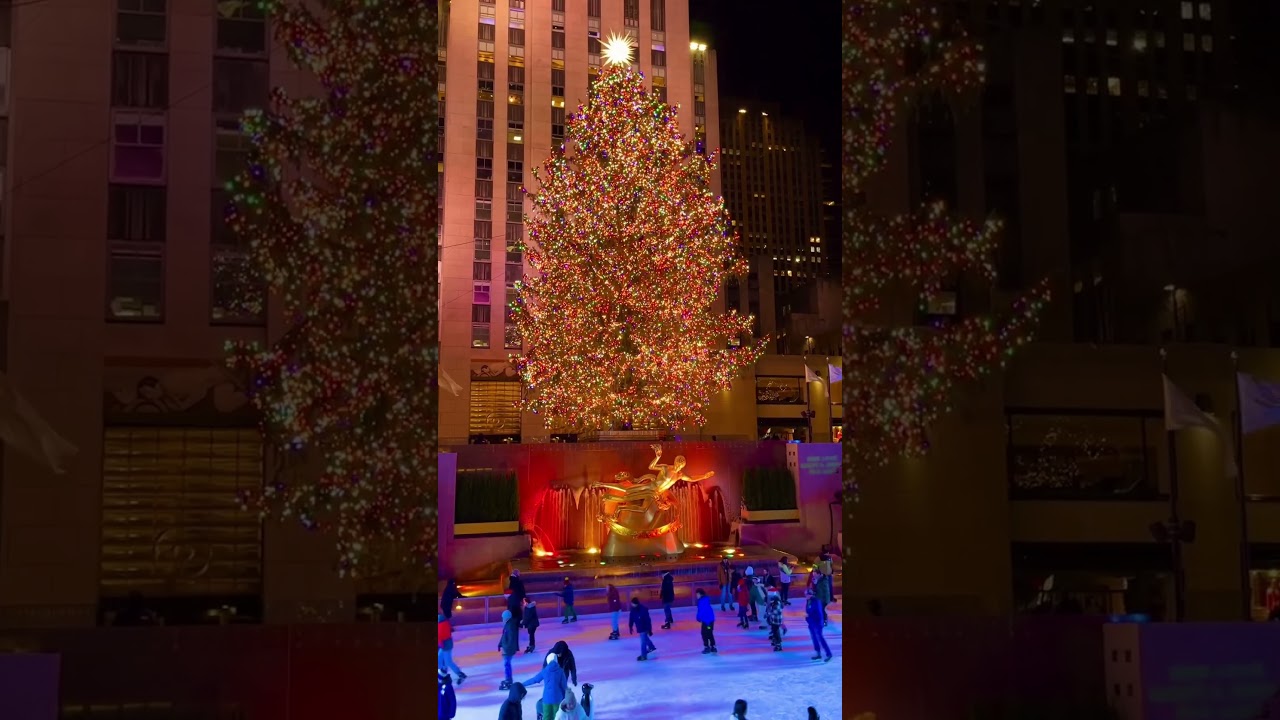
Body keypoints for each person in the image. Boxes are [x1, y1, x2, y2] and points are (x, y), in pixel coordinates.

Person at [523, 652, 568, 720]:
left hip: (547, 699)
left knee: (547, 717)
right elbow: (564, 687)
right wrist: (565, 698)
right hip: (558, 699)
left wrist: (523, 684)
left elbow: (535, 679)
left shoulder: (545, 671)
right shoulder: (561, 671)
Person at [437, 613, 467, 684]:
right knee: (439, 659)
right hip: (445, 644)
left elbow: (440, 635)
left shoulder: (441, 624)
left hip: (446, 645)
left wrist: (439, 642)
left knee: (448, 662)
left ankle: (461, 675)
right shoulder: (443, 621)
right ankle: (443, 674)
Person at [805, 589, 833, 662]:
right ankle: (818, 653)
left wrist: (819, 623)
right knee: (814, 638)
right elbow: (808, 611)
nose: (805, 596)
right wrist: (808, 619)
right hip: (811, 623)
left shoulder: (816, 601)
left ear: (810, 595)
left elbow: (819, 613)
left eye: (807, 594)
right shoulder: (808, 601)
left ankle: (829, 654)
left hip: (817, 623)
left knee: (820, 638)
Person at [629, 596, 657, 661]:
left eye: (633, 603)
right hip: (639, 627)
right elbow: (631, 618)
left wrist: (649, 629)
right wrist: (630, 626)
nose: (632, 605)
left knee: (643, 642)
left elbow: (648, 620)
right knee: (645, 638)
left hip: (644, 627)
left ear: (636, 604)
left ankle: (644, 656)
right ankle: (651, 647)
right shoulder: (633, 610)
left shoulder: (643, 610)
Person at [499, 609, 520, 691]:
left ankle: (509, 680)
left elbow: (511, 639)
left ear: (506, 618)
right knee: (507, 664)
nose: (502, 619)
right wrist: (500, 644)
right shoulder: (508, 624)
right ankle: (508, 679)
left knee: (507, 664)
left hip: (508, 649)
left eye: (503, 617)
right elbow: (504, 636)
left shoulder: (510, 626)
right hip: (507, 648)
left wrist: (506, 648)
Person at [695, 587, 718, 654]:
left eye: (697, 594)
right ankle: (713, 646)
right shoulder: (705, 600)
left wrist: (698, 617)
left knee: (704, 633)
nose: (696, 596)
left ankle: (707, 647)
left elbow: (702, 611)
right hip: (710, 621)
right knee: (709, 632)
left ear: (700, 594)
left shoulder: (701, 602)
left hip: (706, 622)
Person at [765, 586, 784, 651]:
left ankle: (778, 644)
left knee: (776, 632)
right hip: (774, 620)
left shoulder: (777, 603)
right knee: (774, 631)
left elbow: (777, 611)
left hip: (777, 620)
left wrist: (769, 613)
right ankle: (776, 641)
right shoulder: (774, 603)